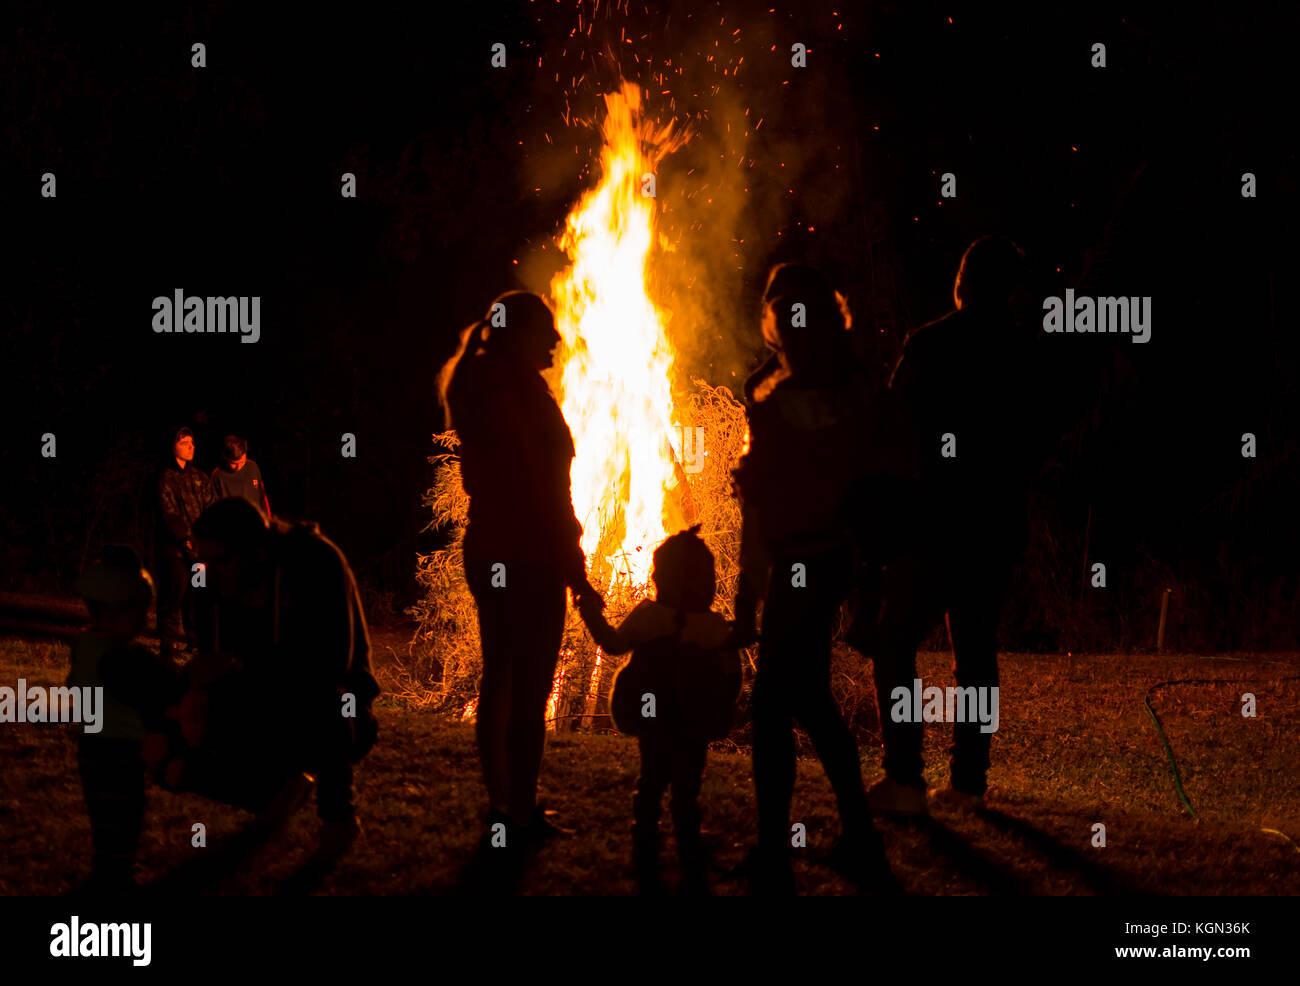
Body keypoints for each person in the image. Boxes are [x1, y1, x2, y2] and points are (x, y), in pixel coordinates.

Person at [731, 264, 894, 894]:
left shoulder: (777, 410)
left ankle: (777, 850)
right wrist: (871, 582)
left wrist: (748, 600)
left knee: (776, 707)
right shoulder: (862, 396)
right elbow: (884, 487)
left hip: (796, 562)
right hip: (831, 562)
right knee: (810, 700)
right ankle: (856, 837)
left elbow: (762, 515)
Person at [866, 235, 1040, 815]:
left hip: (932, 521)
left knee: (895, 643)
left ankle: (905, 777)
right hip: (992, 524)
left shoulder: (931, 345)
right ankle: (968, 784)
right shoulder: (1020, 353)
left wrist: (882, 515)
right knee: (976, 653)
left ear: (963, 282)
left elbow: (892, 437)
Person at [438, 290, 597, 856]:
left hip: (493, 549)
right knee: (527, 686)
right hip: (526, 555)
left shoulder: (489, 386)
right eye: (545, 329)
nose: (556, 339)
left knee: (501, 677)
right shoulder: (514, 394)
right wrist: (572, 564)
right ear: (518, 334)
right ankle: (518, 808)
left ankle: (505, 805)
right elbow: (543, 488)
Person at [186, 497, 380, 860]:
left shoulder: (315, 562)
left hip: (333, 702)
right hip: (259, 693)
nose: (208, 572)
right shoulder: (212, 579)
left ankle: (338, 814)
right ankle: (274, 790)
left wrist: (241, 670)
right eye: (203, 560)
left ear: (256, 551)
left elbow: (332, 664)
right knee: (172, 740)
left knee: (327, 703)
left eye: (220, 560)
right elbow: (213, 655)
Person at [578, 527, 741, 895]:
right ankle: (685, 835)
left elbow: (615, 645)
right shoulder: (713, 626)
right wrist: (719, 708)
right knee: (686, 780)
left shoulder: (650, 616)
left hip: (655, 717)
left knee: (653, 775)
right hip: (693, 720)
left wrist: (591, 615)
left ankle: (646, 831)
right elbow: (732, 676)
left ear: (659, 577)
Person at [69, 546, 184, 891]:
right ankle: (115, 876)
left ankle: (112, 868)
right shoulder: (115, 660)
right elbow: (151, 687)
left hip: (94, 748)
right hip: (114, 752)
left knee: (109, 817)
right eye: (139, 613)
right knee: (123, 815)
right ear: (113, 612)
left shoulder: (87, 646)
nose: (145, 620)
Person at [155, 426, 215, 659]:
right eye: (185, 443)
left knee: (196, 593)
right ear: (173, 446)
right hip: (174, 550)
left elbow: (211, 509)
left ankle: (194, 641)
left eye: (192, 442)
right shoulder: (165, 477)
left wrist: (205, 541)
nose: (191, 447)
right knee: (174, 593)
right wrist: (185, 537)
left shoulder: (200, 478)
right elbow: (167, 512)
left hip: (198, 552)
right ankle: (167, 644)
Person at [210, 435, 271, 517]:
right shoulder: (218, 475)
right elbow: (213, 506)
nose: (238, 467)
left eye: (242, 462)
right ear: (225, 457)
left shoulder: (252, 467)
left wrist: (267, 519)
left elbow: (262, 497)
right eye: (234, 463)